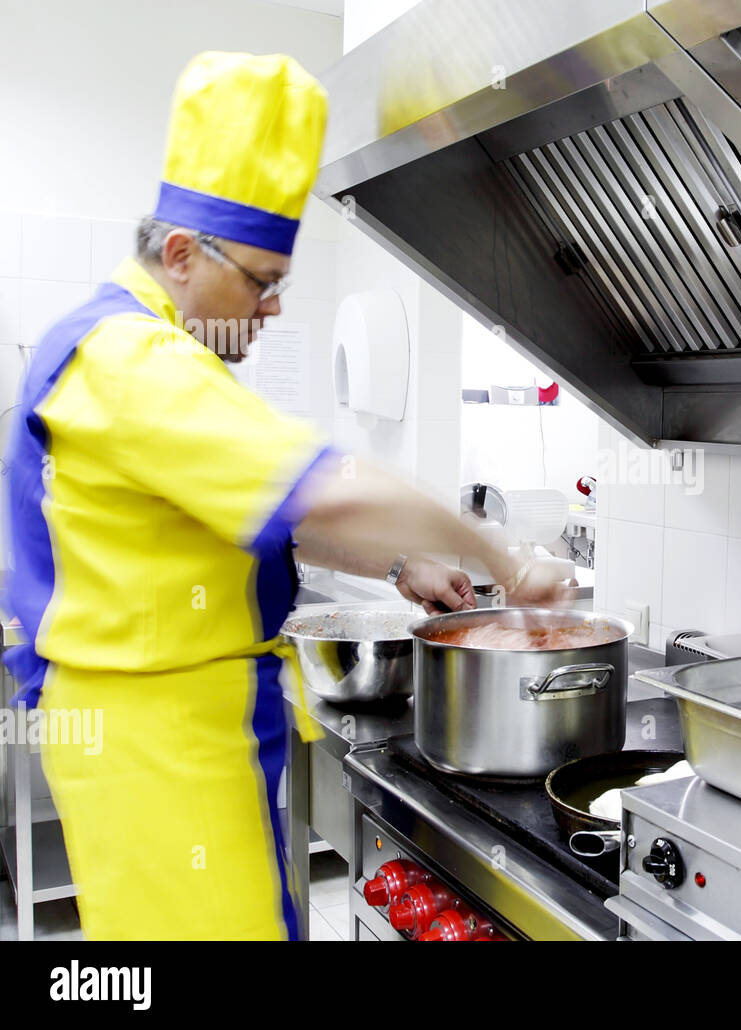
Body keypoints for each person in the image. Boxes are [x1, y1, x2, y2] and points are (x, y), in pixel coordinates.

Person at [0, 51, 569, 940]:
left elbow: (259, 516)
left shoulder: (149, 348)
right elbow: (327, 492)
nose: (269, 310)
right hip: (158, 750)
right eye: (262, 282)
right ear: (182, 254)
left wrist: (400, 561)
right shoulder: (129, 361)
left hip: (181, 732)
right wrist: (504, 557)